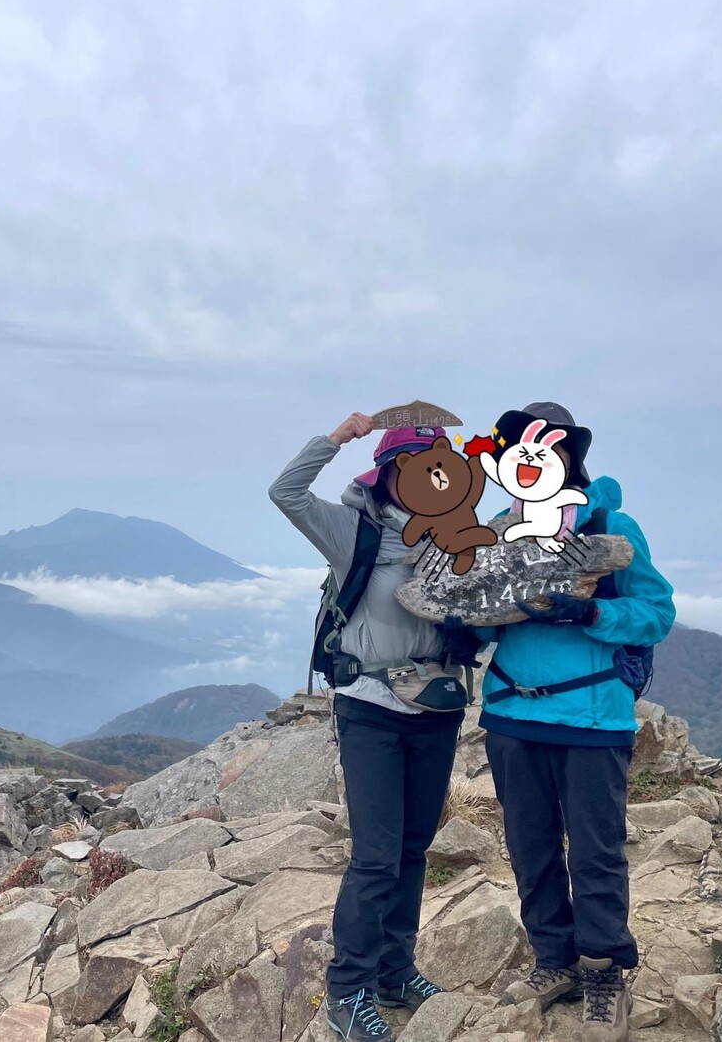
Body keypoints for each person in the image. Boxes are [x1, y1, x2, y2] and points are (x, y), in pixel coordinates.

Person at [472, 401, 676, 1042]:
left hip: (592, 716)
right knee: (530, 848)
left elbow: (657, 613)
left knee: (594, 852)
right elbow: (473, 609)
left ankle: (603, 972)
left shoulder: (612, 527)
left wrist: (590, 617)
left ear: (570, 457)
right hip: (509, 712)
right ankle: (552, 960)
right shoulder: (498, 530)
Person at [269, 412, 469, 1042]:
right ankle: (348, 990)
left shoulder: (451, 540)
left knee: (413, 849)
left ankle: (395, 970)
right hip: (371, 709)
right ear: (387, 477)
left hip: (436, 707)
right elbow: (286, 493)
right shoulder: (350, 534)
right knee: (377, 857)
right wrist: (337, 437)